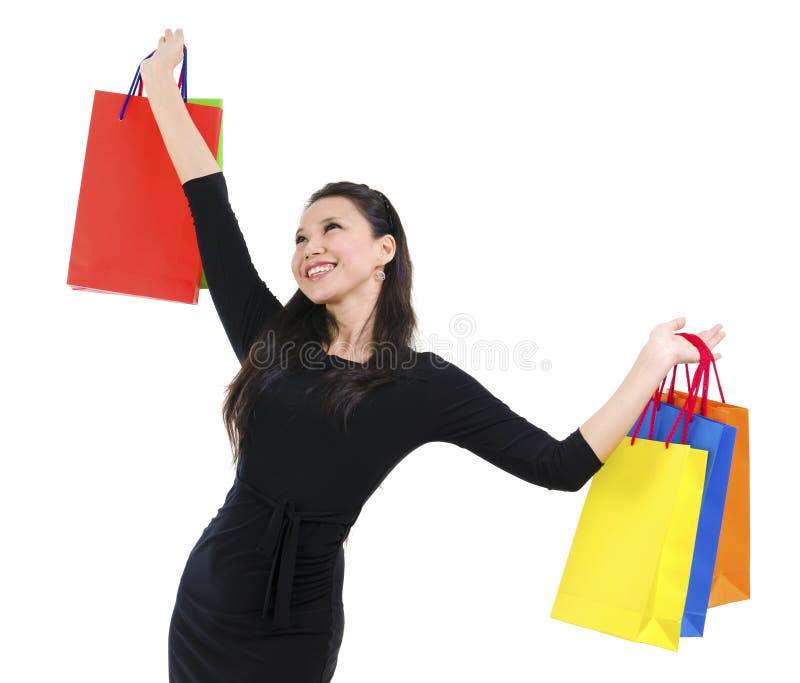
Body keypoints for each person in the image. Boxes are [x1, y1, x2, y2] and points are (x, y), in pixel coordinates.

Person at [141, 28, 725, 683]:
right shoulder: (268, 338)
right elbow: (209, 205)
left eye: (333, 227)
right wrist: (161, 83)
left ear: (384, 250)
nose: (310, 244)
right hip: (205, 608)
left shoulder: (419, 385)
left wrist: (648, 365)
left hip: (293, 635)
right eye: (301, 234)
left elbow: (557, 465)